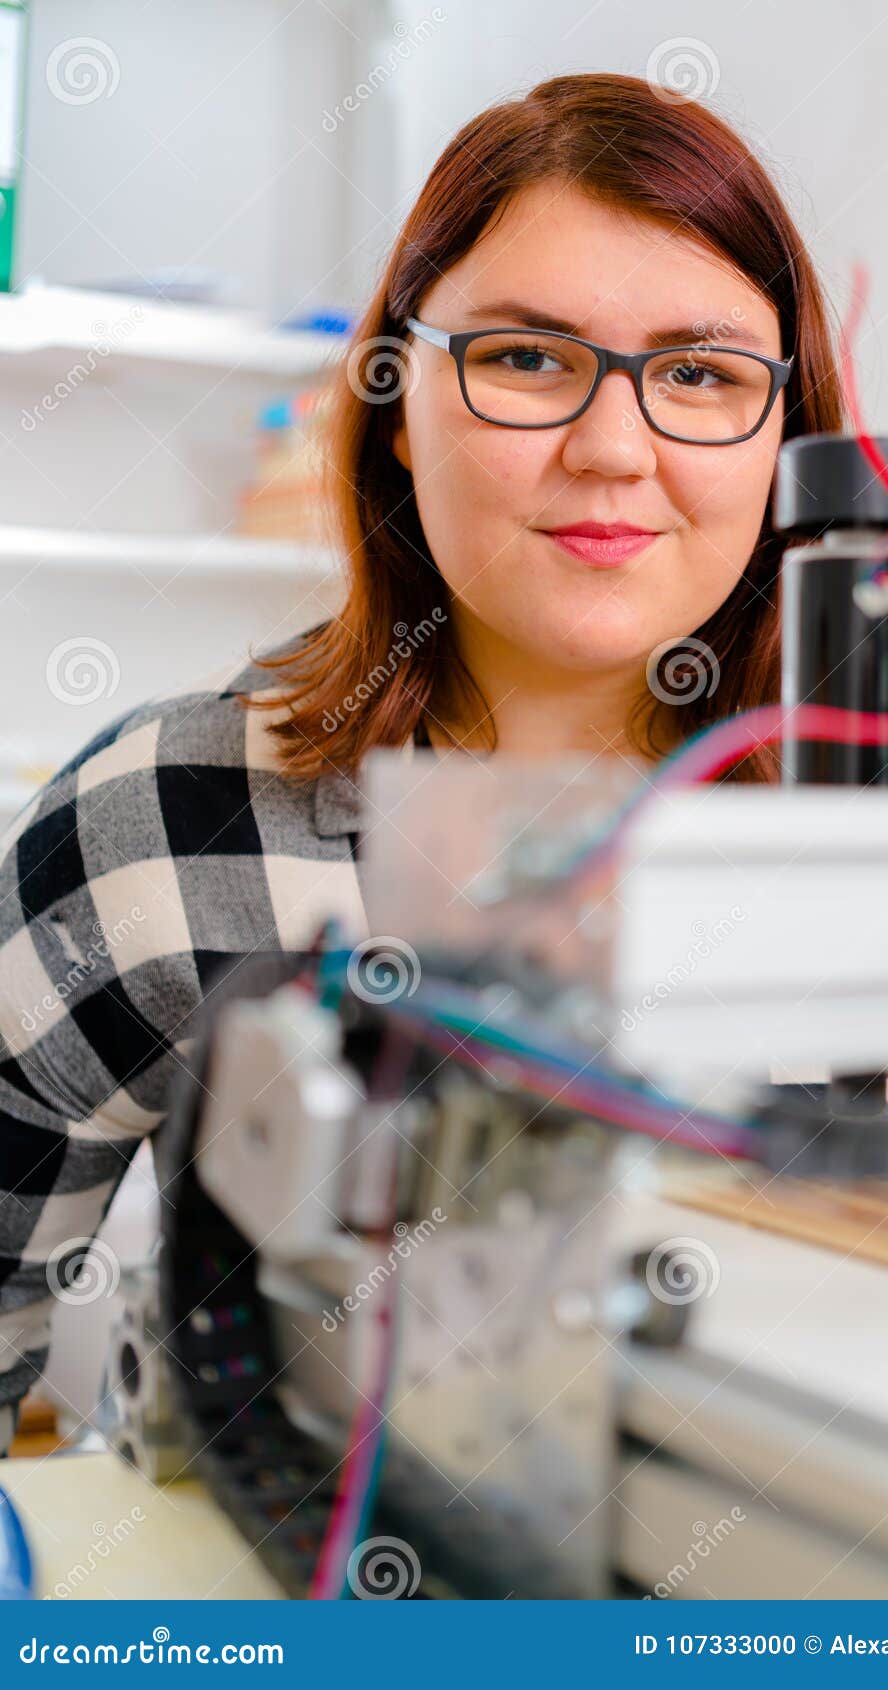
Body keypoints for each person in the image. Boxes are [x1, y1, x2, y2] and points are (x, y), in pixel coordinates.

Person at [0, 71, 842, 1454]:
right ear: (396, 398)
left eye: (698, 374)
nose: (613, 449)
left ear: (787, 439)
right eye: (525, 358)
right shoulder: (165, 818)